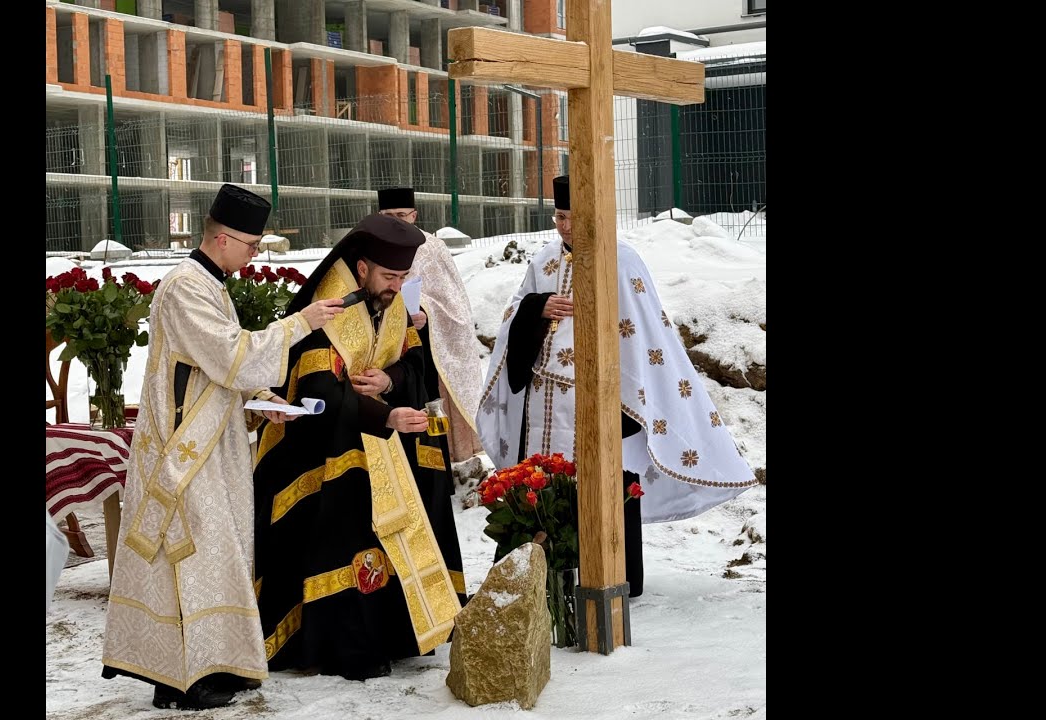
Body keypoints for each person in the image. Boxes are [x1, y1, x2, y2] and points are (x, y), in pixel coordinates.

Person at [101, 184, 346, 711]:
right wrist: (302, 323)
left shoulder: (212, 285)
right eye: (253, 246)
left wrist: (262, 397)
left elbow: (212, 370)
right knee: (190, 554)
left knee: (221, 551)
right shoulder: (185, 288)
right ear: (224, 237)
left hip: (215, 441)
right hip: (184, 448)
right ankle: (178, 680)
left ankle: (218, 663)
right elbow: (232, 355)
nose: (255, 255)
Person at [476, 176, 759, 598]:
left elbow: (644, 333)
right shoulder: (544, 261)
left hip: (601, 398)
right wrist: (537, 309)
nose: (565, 226)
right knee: (544, 484)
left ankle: (611, 574)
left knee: (604, 486)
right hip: (546, 401)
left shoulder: (622, 262)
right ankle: (546, 575)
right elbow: (515, 316)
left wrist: (630, 397)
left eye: (573, 217)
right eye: (559, 217)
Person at [252, 214, 467, 682]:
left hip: (369, 437)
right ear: (363, 267)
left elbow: (415, 362)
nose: (398, 288)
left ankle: (390, 633)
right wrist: (385, 415)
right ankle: (338, 643)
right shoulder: (326, 305)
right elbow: (316, 393)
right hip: (313, 446)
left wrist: (391, 380)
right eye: (391, 277)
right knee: (346, 504)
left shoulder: (386, 297)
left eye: (405, 278)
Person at [377, 187, 486, 470]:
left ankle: (438, 469)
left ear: (414, 215)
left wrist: (425, 312)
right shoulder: (370, 244)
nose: (395, 221)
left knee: (426, 401)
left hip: (425, 344)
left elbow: (453, 303)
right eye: (388, 215)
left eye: (401, 215)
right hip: (382, 345)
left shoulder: (432, 247)